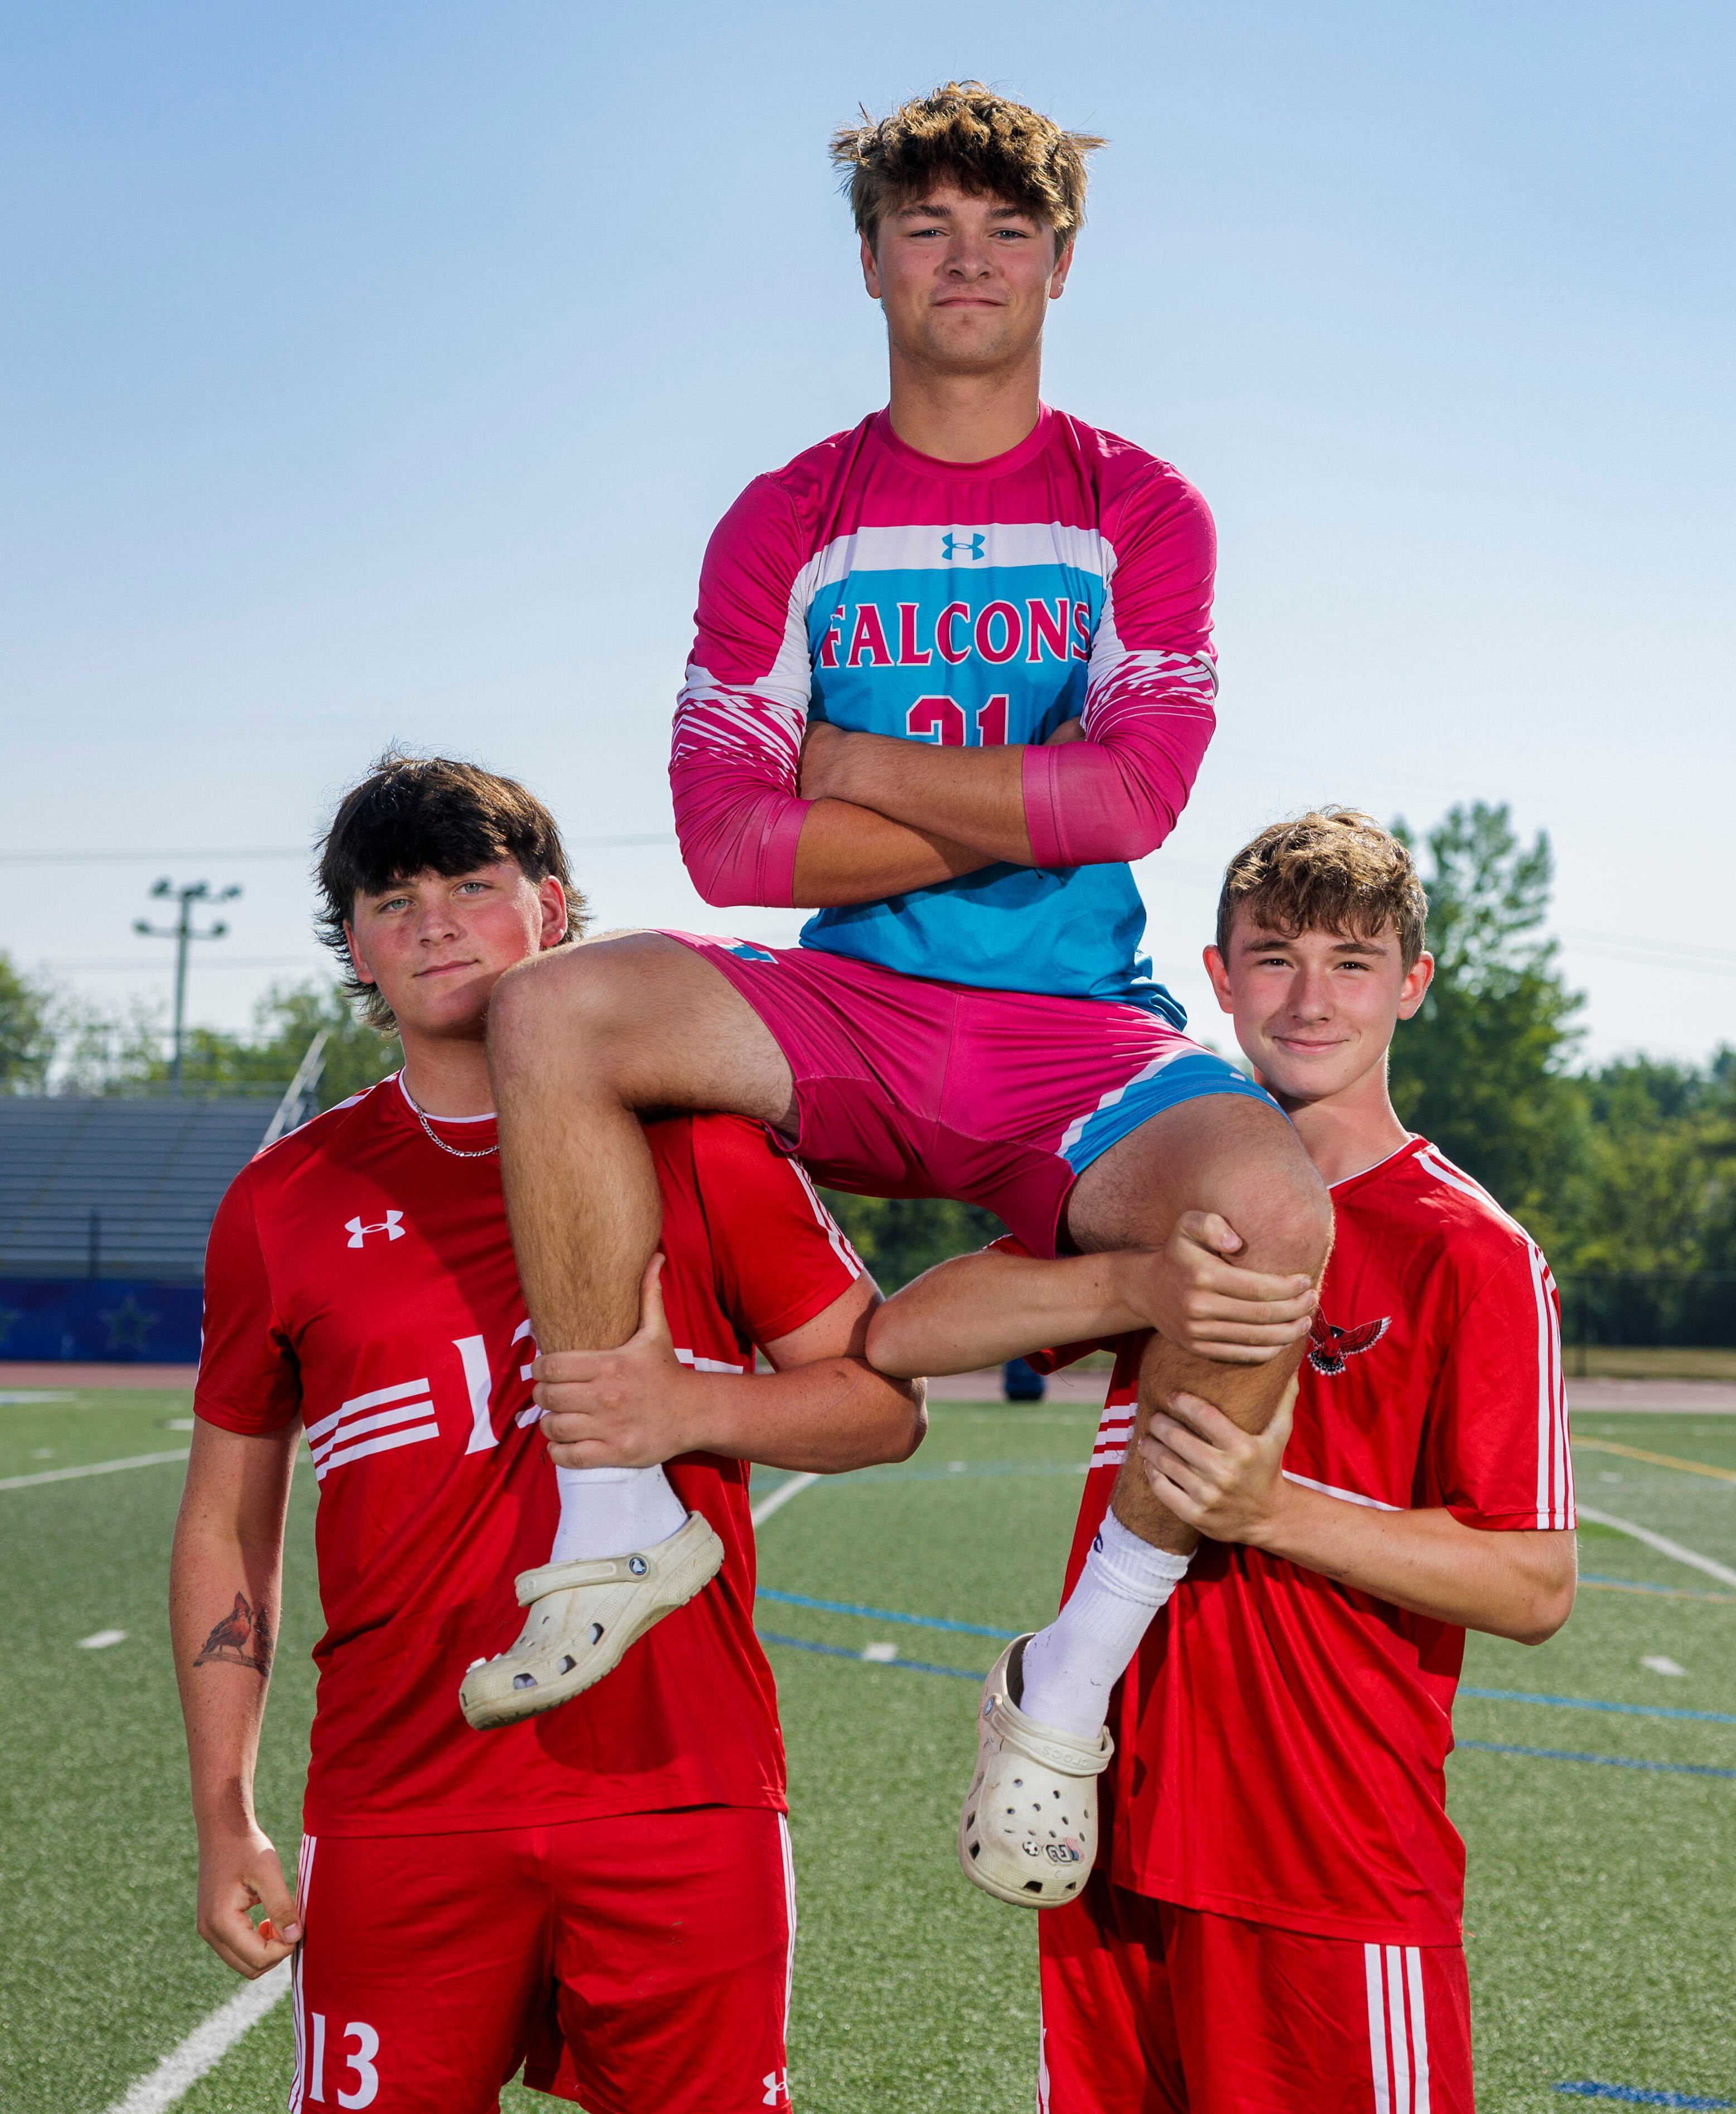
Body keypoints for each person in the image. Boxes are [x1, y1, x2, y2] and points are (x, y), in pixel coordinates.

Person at [483, 81, 1331, 1828]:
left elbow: (1142, 793)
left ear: (1061, 264)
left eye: (1006, 230)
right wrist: (1037, 793)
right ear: (870, 261)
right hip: (854, 1009)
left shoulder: (1137, 504)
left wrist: (859, 766)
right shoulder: (788, 514)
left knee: (1276, 1209)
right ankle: (614, 1520)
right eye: (928, 228)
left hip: (1077, 1038)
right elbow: (729, 836)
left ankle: (1069, 1675)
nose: (968, 260)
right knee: (555, 1000)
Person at [170, 754, 924, 2114]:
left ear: (554, 909)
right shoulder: (282, 1199)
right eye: (392, 899)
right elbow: (227, 1517)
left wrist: (691, 1405)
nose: (437, 922)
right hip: (399, 1799)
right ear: (354, 943)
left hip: (676, 1787)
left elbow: (880, 1402)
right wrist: (226, 1805)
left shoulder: (700, 1146)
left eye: (474, 884)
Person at [866, 809, 1578, 2108]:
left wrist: (1272, 1506)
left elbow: (1532, 1583)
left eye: (1351, 961)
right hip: (1109, 1826)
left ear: (1410, 984)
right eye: (1273, 957)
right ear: (1216, 975)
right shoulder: (1165, 1180)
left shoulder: (1465, 1248)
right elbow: (907, 1329)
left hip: (1327, 1858)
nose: (1309, 998)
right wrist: (1141, 1275)